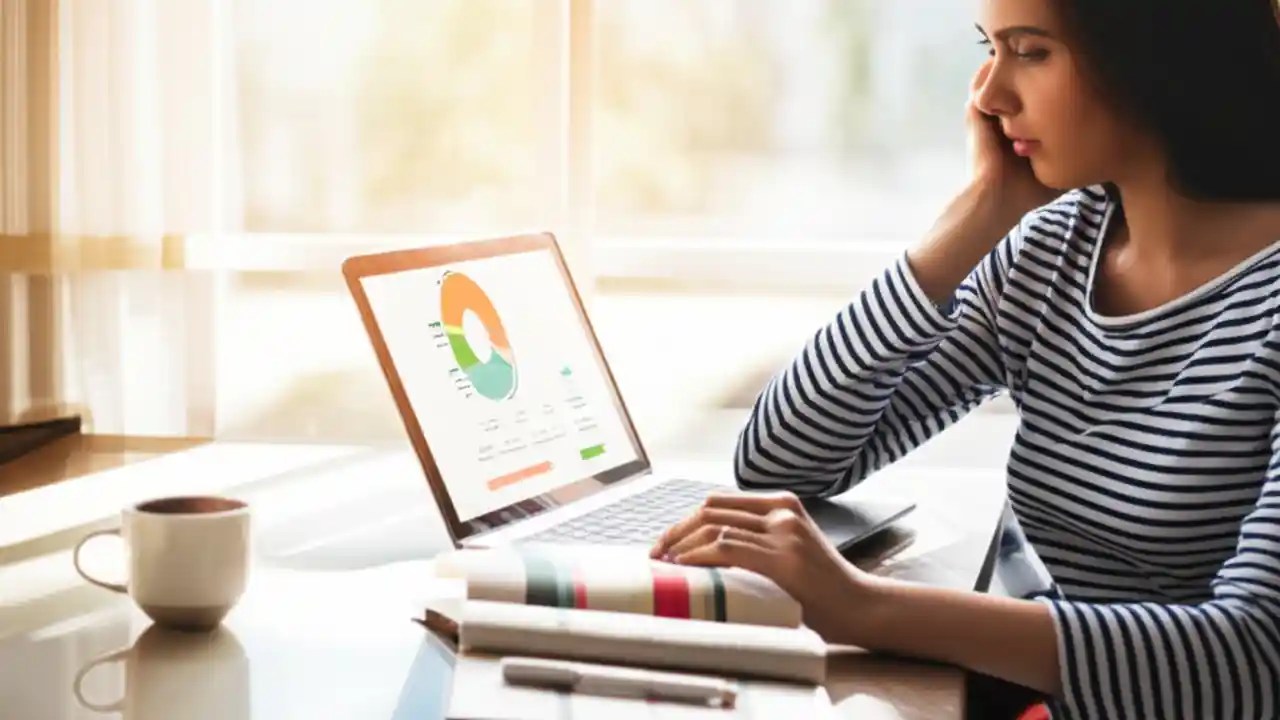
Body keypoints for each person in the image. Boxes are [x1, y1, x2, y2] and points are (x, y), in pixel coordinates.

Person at [649, 0, 1280, 717]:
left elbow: (1254, 657)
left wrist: (862, 607)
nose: (987, 93)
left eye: (1031, 52)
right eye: (990, 48)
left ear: (1154, 59)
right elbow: (783, 460)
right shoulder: (1052, 253)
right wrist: (978, 212)